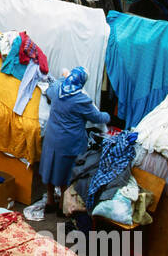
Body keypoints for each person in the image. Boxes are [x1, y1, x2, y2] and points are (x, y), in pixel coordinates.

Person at [31, 67, 110, 218]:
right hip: (70, 142)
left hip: (52, 137)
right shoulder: (81, 99)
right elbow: (97, 118)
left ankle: (49, 201)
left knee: (50, 167)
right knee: (66, 173)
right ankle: (62, 205)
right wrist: (107, 116)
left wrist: (64, 77)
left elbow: (50, 89)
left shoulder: (57, 90)